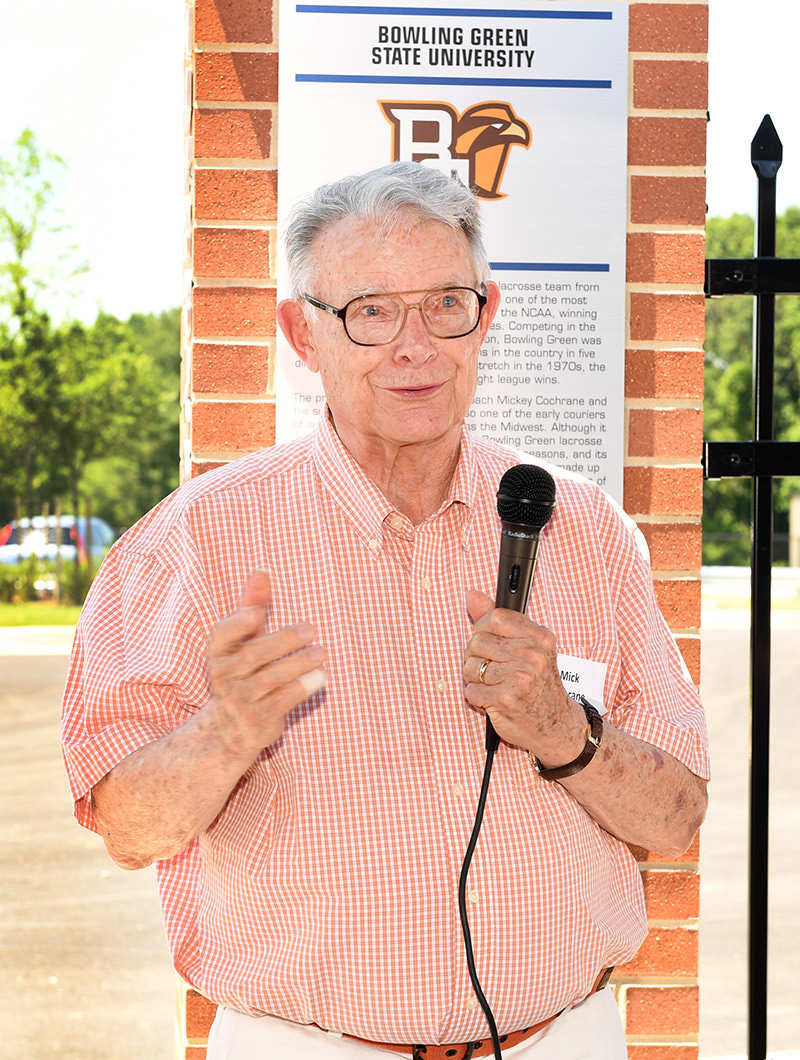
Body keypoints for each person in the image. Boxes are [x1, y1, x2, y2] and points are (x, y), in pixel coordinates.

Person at [61, 161, 709, 1060]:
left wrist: (563, 728)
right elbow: (127, 831)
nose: (416, 346)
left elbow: (676, 820)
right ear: (301, 332)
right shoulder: (195, 542)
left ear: (486, 314)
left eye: (446, 303)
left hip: (562, 1039)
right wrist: (228, 729)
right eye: (370, 310)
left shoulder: (581, 529)